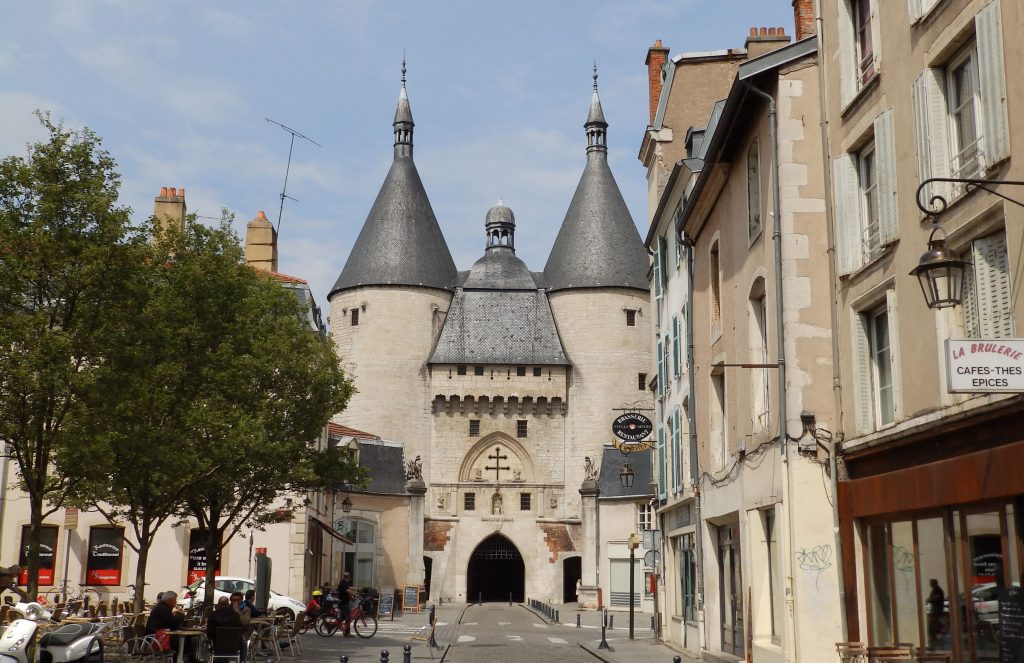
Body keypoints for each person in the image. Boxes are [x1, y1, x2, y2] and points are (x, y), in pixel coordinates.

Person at [146, 591, 188, 659]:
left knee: (184, 639)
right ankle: (180, 659)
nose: (176, 602)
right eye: (175, 600)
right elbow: (173, 622)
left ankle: (185, 657)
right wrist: (181, 616)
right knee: (183, 640)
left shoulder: (162, 607)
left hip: (158, 635)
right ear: (170, 600)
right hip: (157, 637)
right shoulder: (163, 608)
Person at [208, 593, 247, 660]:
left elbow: (209, 632)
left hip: (217, 646)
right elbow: (241, 628)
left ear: (218, 605)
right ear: (228, 603)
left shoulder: (213, 615)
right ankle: (241, 661)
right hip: (234, 646)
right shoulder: (235, 615)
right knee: (244, 644)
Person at [337, 572, 357, 637]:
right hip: (343, 603)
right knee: (348, 616)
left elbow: (347, 592)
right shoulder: (343, 583)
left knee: (347, 616)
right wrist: (355, 594)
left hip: (344, 602)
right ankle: (345, 631)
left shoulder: (344, 583)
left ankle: (346, 631)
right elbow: (348, 591)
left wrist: (351, 597)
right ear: (348, 577)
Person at [927, 578, 946, 645]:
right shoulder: (937, 590)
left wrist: (929, 599)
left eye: (930, 583)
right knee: (933, 623)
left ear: (933, 583)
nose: (930, 584)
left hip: (936, 610)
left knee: (932, 623)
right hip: (936, 610)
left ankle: (936, 636)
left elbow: (935, 598)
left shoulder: (937, 590)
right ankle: (935, 636)